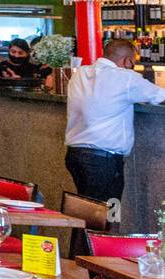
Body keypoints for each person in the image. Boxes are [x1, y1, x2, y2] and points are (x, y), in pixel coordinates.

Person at [64, 38, 165, 203]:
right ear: (126, 61)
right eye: (133, 63)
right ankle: (106, 229)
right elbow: (159, 96)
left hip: (75, 156)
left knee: (85, 212)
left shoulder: (80, 74)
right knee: (109, 213)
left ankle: (84, 230)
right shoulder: (125, 78)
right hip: (104, 161)